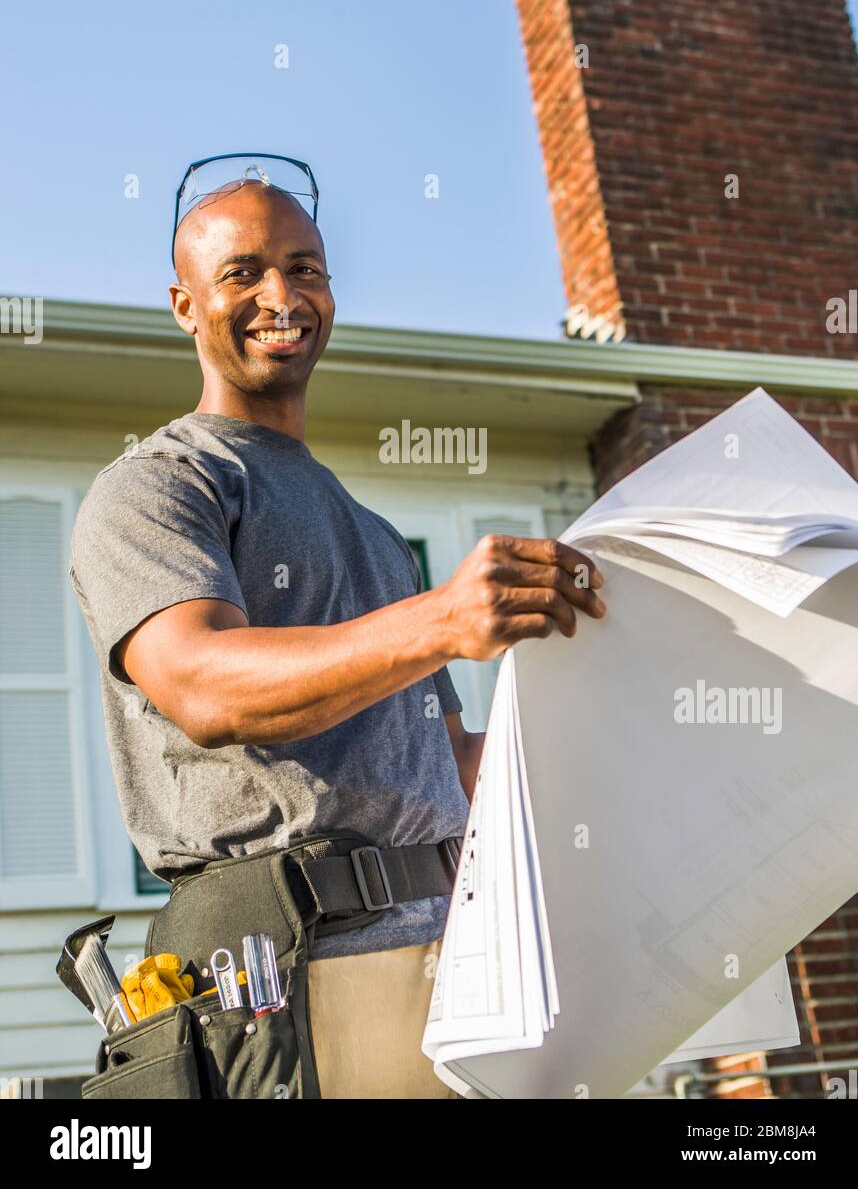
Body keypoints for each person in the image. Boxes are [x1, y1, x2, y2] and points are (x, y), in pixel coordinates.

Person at [68, 163, 606, 1098]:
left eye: (305, 267)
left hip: (452, 962)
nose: (281, 296)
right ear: (184, 304)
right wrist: (442, 619)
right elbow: (203, 685)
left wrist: (629, 706)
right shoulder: (157, 486)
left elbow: (448, 766)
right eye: (242, 273)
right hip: (285, 976)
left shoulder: (371, 536)